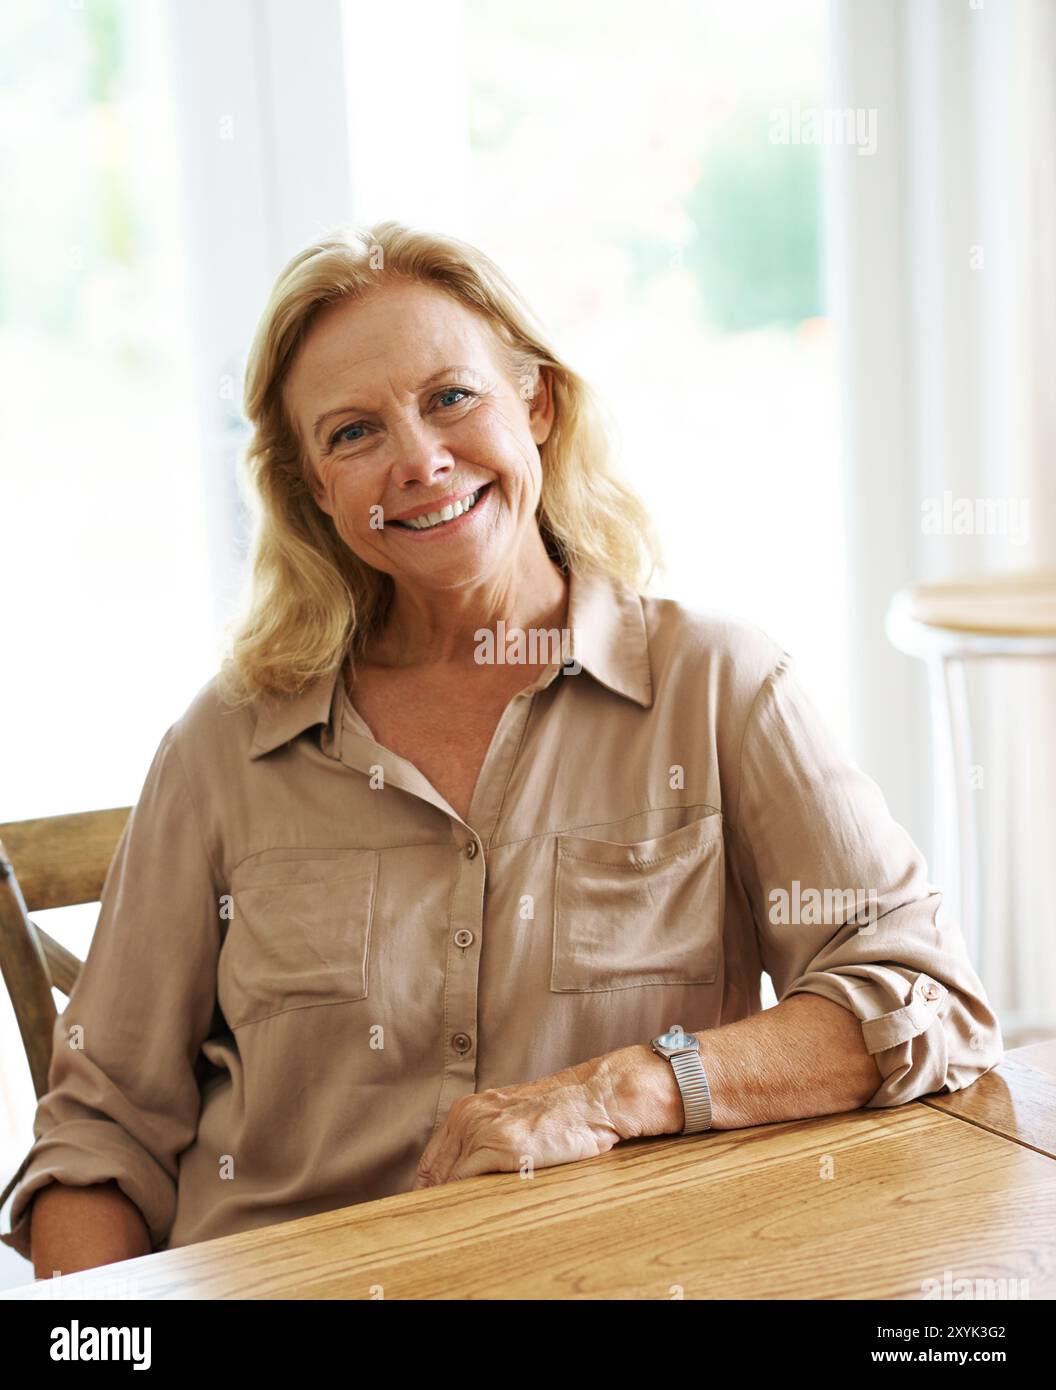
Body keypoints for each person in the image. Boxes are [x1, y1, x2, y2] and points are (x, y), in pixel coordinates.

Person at [2, 222, 1003, 1277]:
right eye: (353, 433)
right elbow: (99, 1138)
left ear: (536, 402)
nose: (420, 460)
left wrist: (620, 1089)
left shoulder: (718, 686)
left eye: (450, 397)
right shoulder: (222, 746)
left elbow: (923, 999)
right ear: (314, 489)